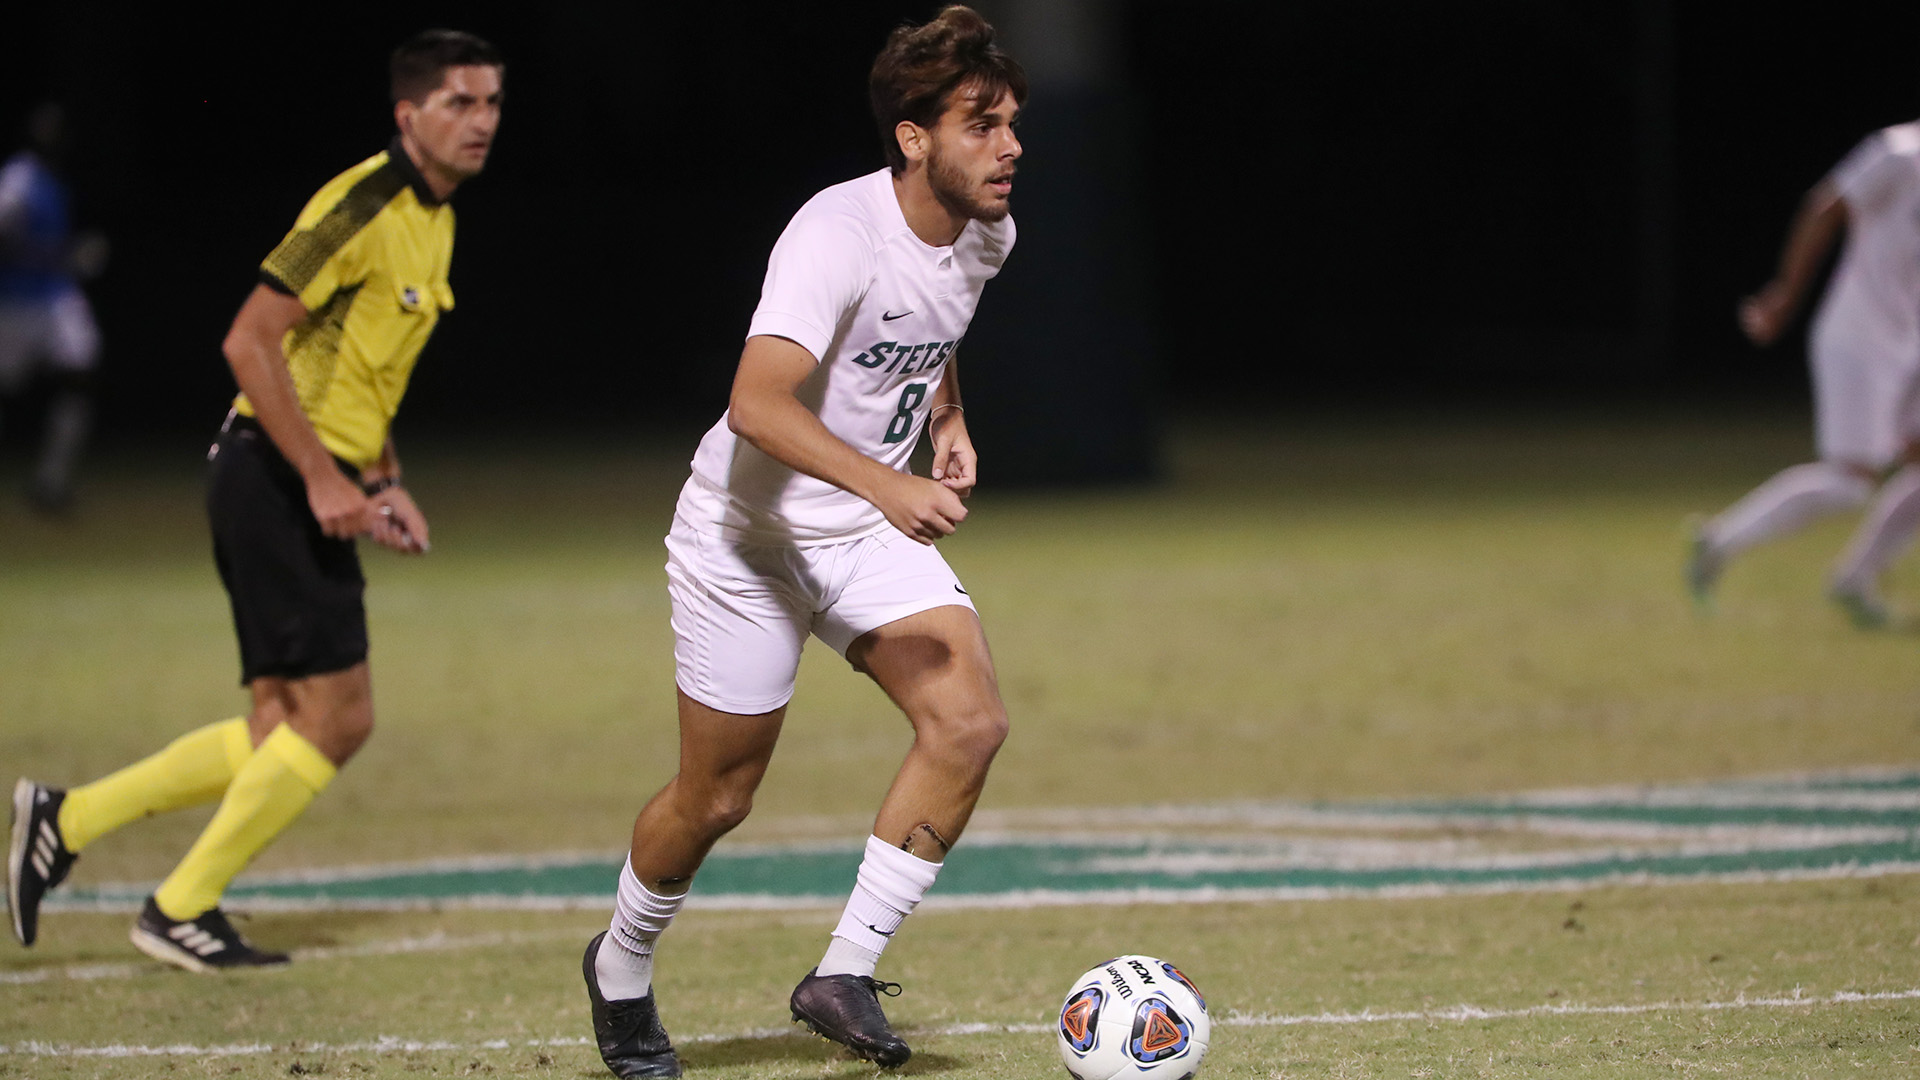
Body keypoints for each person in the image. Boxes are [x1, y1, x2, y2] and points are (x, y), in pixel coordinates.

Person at [581, 7, 1024, 1076]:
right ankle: (621, 964)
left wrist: (947, 413)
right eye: (981, 124)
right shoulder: (834, 232)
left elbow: (932, 325)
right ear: (913, 139)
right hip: (749, 537)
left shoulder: (991, 230)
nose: (1009, 147)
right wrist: (890, 480)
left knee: (967, 723)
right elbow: (756, 404)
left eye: (1013, 122)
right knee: (718, 798)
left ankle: (843, 973)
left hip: (861, 528)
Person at [6, 29, 504, 971]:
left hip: (293, 478)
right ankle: (178, 906)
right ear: (409, 115)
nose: (482, 122)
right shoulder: (362, 203)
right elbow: (248, 340)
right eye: (460, 104)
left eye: (491, 104)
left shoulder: (436, 215)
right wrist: (321, 479)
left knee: (281, 727)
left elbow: (361, 377)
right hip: (272, 477)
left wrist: (381, 479)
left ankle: (66, 820)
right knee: (340, 720)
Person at [1689, 119, 1920, 627]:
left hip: (1911, 344)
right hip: (1860, 336)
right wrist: (1783, 297)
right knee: (1850, 484)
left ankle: (1854, 580)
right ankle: (1718, 541)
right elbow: (1824, 206)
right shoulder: (1899, 151)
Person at [0, 101, 106, 512]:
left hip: (55, 298)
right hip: (16, 301)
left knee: (80, 372)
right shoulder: (18, 178)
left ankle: (51, 481)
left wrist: (70, 258)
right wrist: (57, 256)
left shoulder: (53, 180)